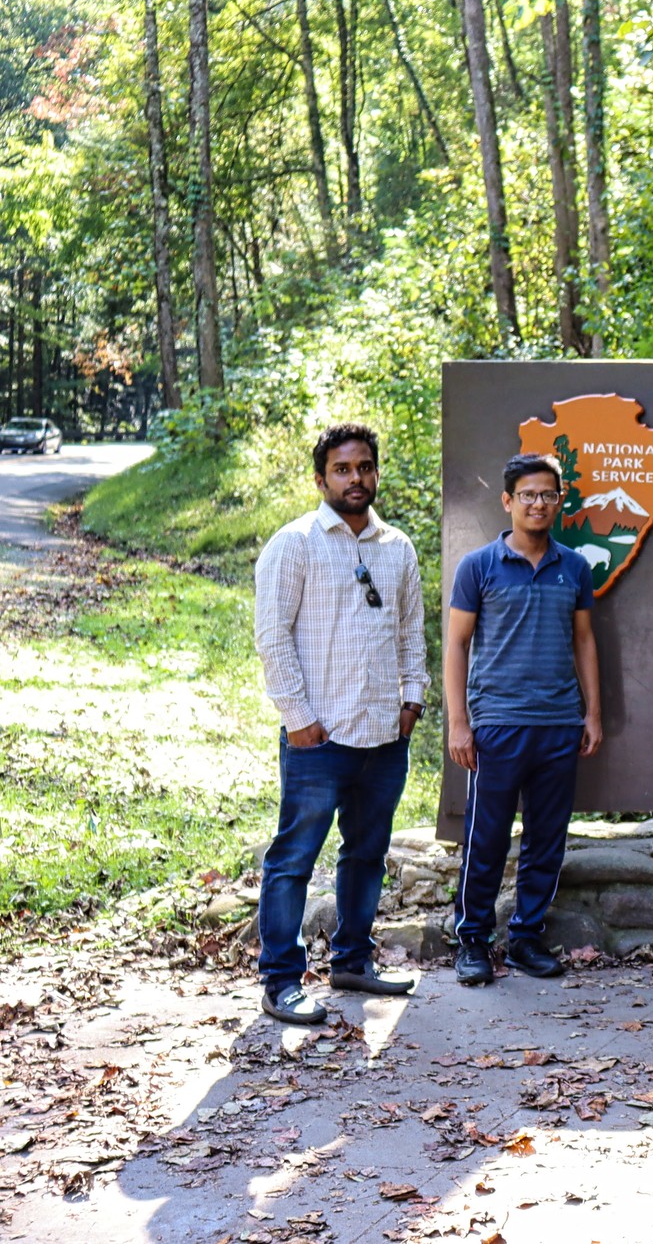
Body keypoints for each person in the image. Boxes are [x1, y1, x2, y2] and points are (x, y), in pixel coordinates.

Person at [253, 424, 427, 1025]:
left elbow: (411, 633)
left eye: (365, 467)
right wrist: (298, 719)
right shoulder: (294, 544)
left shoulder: (397, 547)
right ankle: (281, 980)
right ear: (321, 477)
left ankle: (352, 960)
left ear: (376, 473)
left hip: (384, 735)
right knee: (294, 858)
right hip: (319, 737)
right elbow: (273, 639)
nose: (357, 478)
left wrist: (412, 703)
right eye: (343, 469)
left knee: (367, 853)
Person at [445, 452, 604, 986]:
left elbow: (584, 641)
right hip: (496, 724)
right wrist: (459, 723)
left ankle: (526, 940)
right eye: (528, 495)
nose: (539, 503)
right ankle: (472, 942)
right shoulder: (479, 567)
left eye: (548, 495)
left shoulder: (574, 567)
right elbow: (457, 645)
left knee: (546, 838)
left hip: (559, 723)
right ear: (508, 501)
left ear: (560, 501)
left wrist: (592, 714)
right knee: (485, 837)